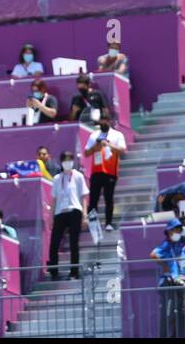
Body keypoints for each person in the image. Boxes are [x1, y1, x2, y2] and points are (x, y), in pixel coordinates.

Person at [48, 150, 89, 281]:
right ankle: (54, 272)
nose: (67, 163)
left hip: (74, 211)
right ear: (61, 162)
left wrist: (84, 215)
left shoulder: (78, 176)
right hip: (60, 212)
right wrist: (51, 217)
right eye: (65, 160)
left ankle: (74, 272)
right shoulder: (56, 178)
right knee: (54, 244)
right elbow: (53, 199)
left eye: (69, 160)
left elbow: (83, 197)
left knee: (73, 243)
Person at [84, 112, 126, 231]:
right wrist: (95, 147)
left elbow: (122, 150)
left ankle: (108, 223)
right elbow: (86, 152)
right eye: (101, 120)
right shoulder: (94, 135)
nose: (103, 122)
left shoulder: (117, 135)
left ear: (110, 121)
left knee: (109, 198)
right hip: (96, 170)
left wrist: (109, 145)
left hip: (110, 171)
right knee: (93, 199)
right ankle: (93, 224)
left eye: (106, 120)